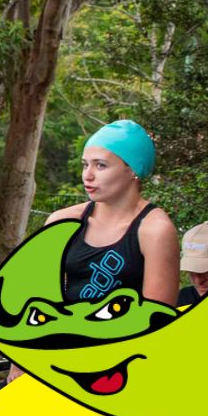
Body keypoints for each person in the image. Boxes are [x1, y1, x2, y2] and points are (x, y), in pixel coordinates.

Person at [44, 120, 179, 306]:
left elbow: (157, 318)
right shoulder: (62, 221)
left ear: (133, 170)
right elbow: (39, 295)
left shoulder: (155, 232)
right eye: (85, 165)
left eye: (100, 165)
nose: (87, 175)